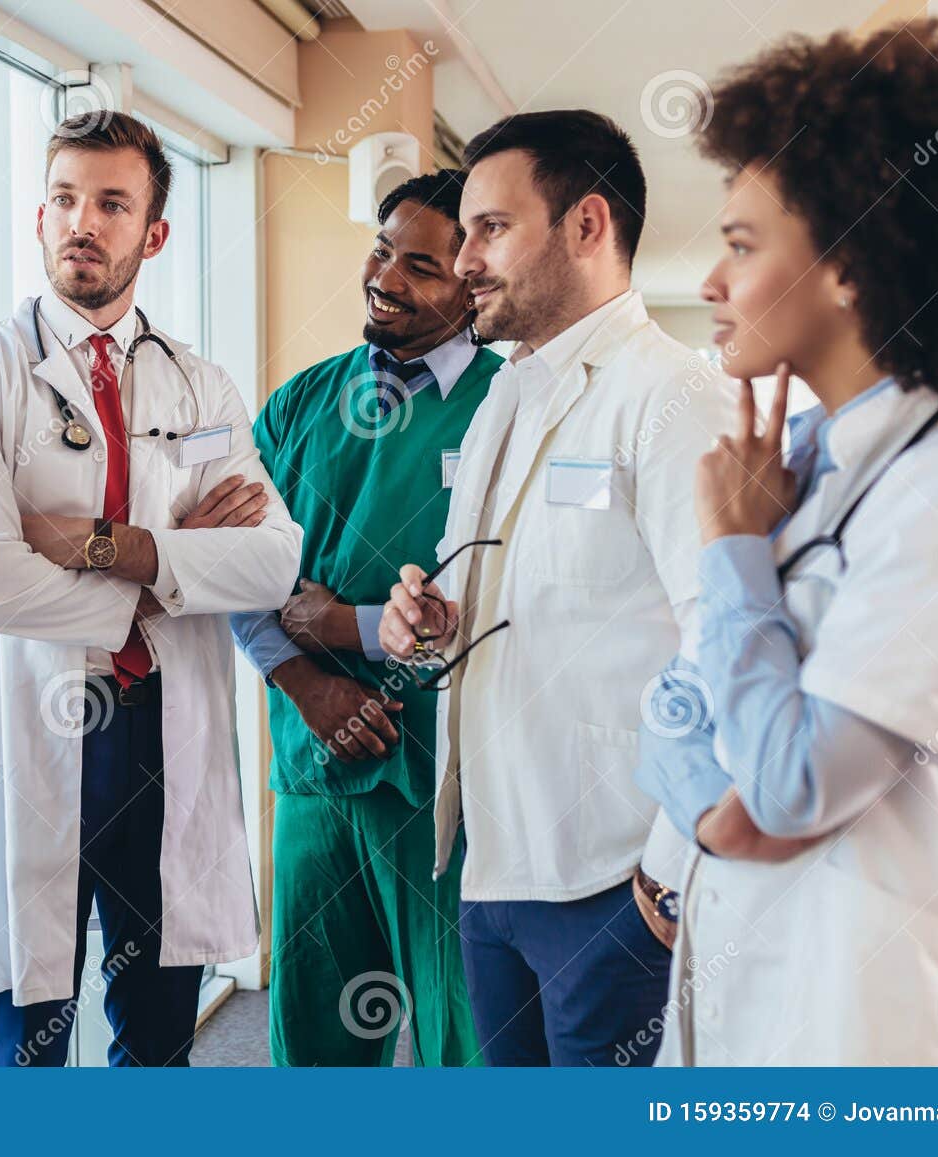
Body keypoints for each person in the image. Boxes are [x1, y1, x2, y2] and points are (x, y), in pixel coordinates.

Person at [636, 18, 938, 1065]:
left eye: (740, 244)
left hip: (879, 1028)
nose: (712, 285)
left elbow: (795, 784)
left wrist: (731, 549)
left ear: (849, 264)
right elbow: (666, 709)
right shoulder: (799, 456)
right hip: (750, 997)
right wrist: (719, 811)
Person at [0, 111, 301, 1067]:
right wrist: (175, 568)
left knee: (159, 1027)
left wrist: (104, 545)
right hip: (38, 725)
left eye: (112, 204)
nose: (81, 222)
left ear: (154, 233)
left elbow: (271, 561)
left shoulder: (202, 387)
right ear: (39, 216)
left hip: (160, 727)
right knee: (23, 1037)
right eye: (64, 199)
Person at [378, 110, 736, 1066]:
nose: (462, 263)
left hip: (612, 883)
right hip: (493, 868)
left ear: (587, 225)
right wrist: (430, 620)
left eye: (492, 229)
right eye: (465, 235)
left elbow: (731, 641)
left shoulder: (673, 398)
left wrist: (662, 884)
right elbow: (522, 601)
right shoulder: (505, 392)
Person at [230, 171, 495, 1066]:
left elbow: (508, 600)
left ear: (471, 283)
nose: (386, 275)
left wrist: (337, 621)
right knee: (316, 1038)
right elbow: (231, 573)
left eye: (421, 265)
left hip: (449, 788)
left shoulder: (510, 405)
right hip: (315, 772)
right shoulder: (300, 405)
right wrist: (306, 686)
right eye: (383, 248)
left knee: (466, 1035)